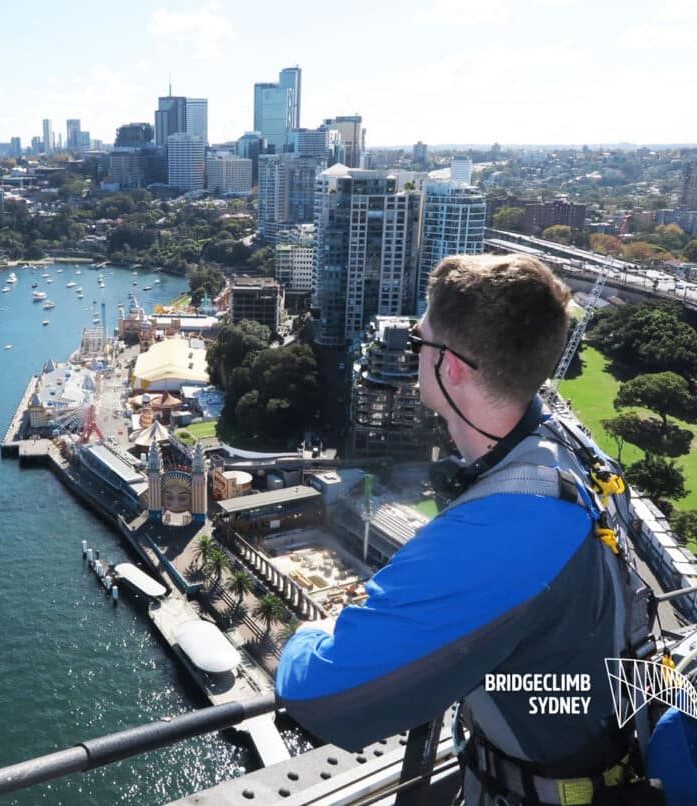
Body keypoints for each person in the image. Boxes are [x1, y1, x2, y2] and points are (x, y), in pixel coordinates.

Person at [276, 254, 648, 805]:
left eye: (417, 344)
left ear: (449, 366)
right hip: (600, 755)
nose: (413, 354)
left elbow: (320, 693)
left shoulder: (504, 531)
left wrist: (307, 634)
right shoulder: (565, 454)